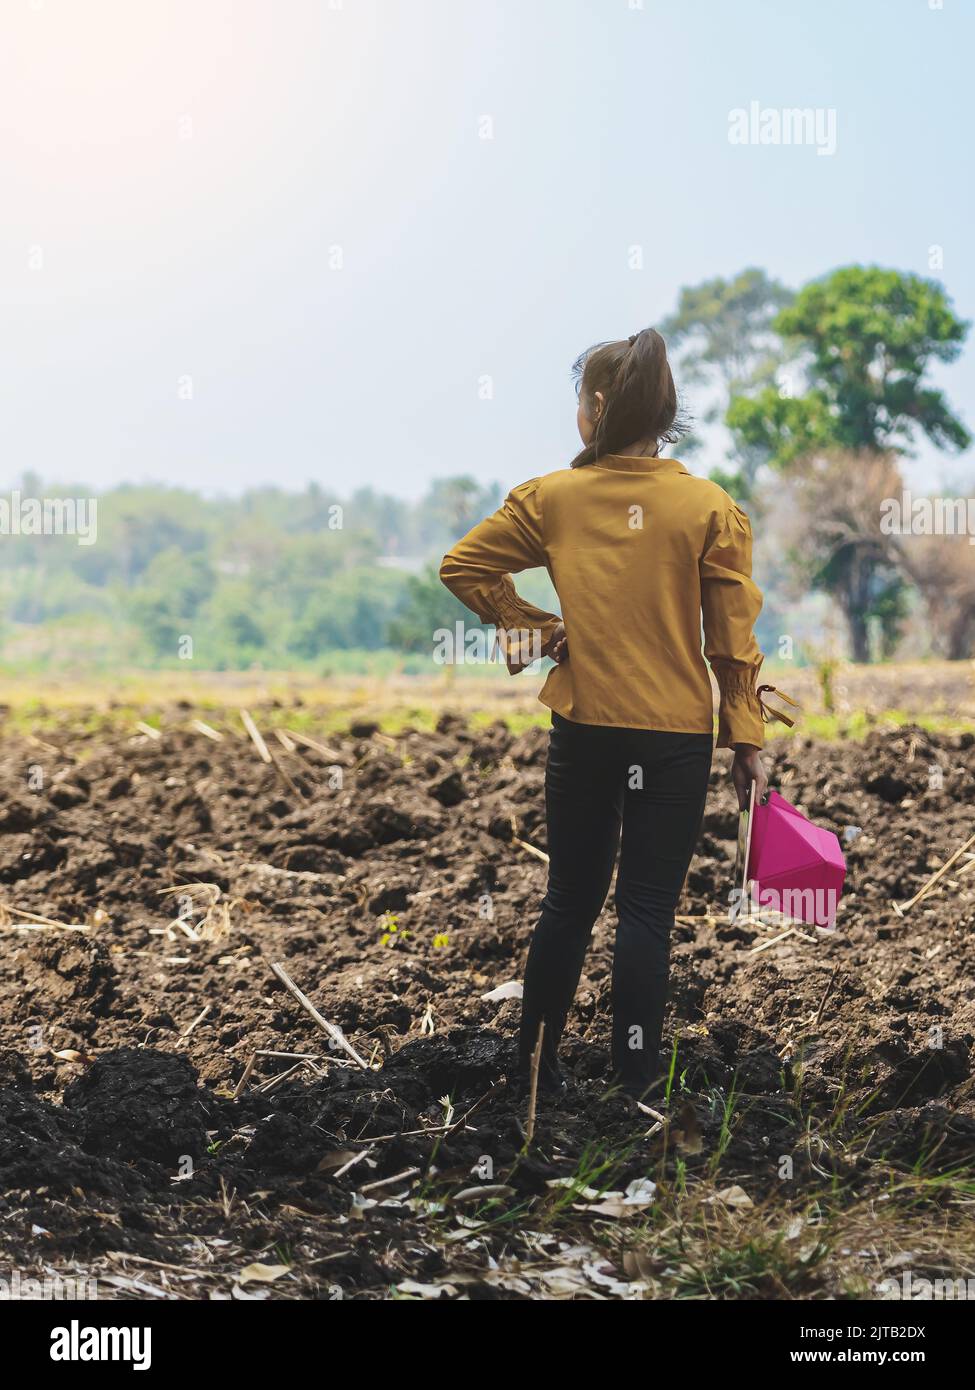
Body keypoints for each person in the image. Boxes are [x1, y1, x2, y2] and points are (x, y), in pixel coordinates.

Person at [440, 328, 776, 1101]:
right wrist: (746, 741)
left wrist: (541, 630)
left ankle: (535, 1073)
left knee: (569, 899)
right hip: (675, 738)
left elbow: (463, 565)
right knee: (647, 913)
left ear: (595, 407)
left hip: (585, 727)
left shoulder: (550, 499)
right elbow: (730, 643)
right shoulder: (708, 509)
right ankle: (635, 1085)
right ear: (663, 412)